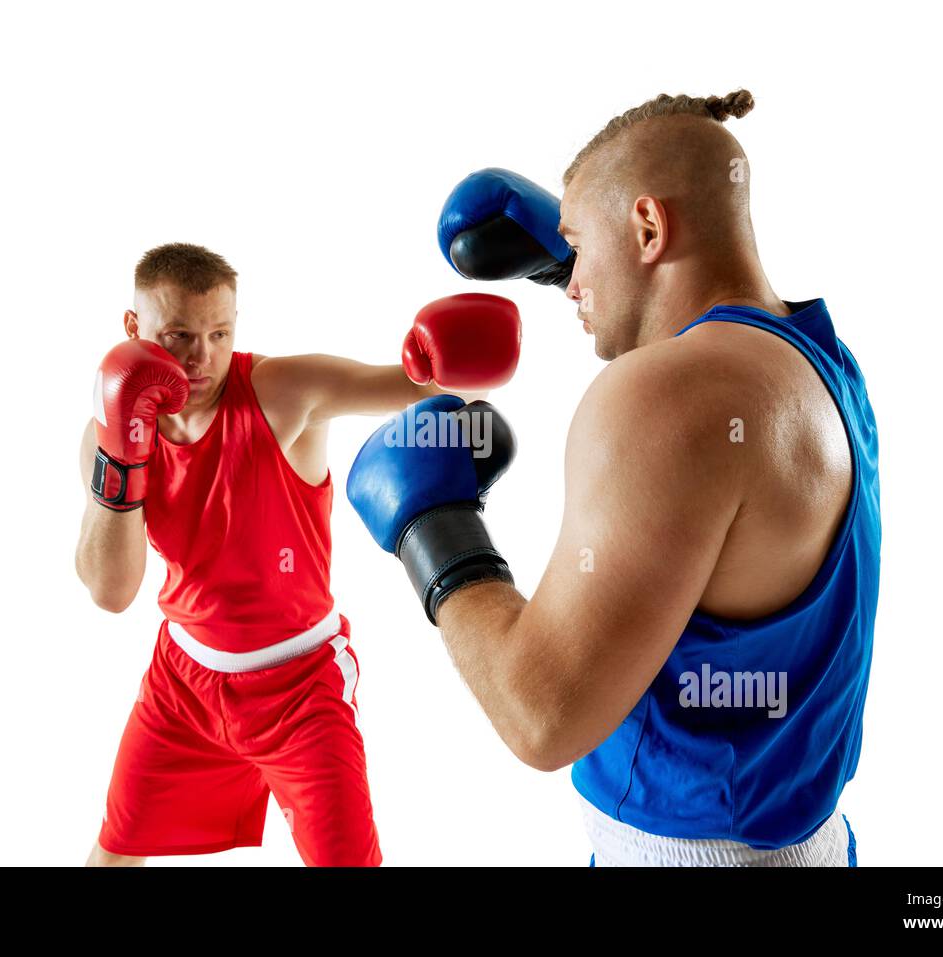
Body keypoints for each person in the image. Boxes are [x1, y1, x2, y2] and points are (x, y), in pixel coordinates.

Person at [349, 90, 879, 866]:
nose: (568, 283)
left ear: (648, 227)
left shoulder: (666, 398)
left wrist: (433, 524)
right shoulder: (823, 367)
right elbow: (693, 409)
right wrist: (597, 253)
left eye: (576, 250)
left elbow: (543, 715)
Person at [76, 242, 519, 866]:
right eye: (178, 335)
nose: (202, 357)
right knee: (114, 851)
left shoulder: (282, 391)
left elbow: (415, 388)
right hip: (184, 683)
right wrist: (121, 461)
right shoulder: (114, 433)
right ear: (133, 329)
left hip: (300, 687)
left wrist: (450, 360)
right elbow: (110, 591)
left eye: (219, 333)